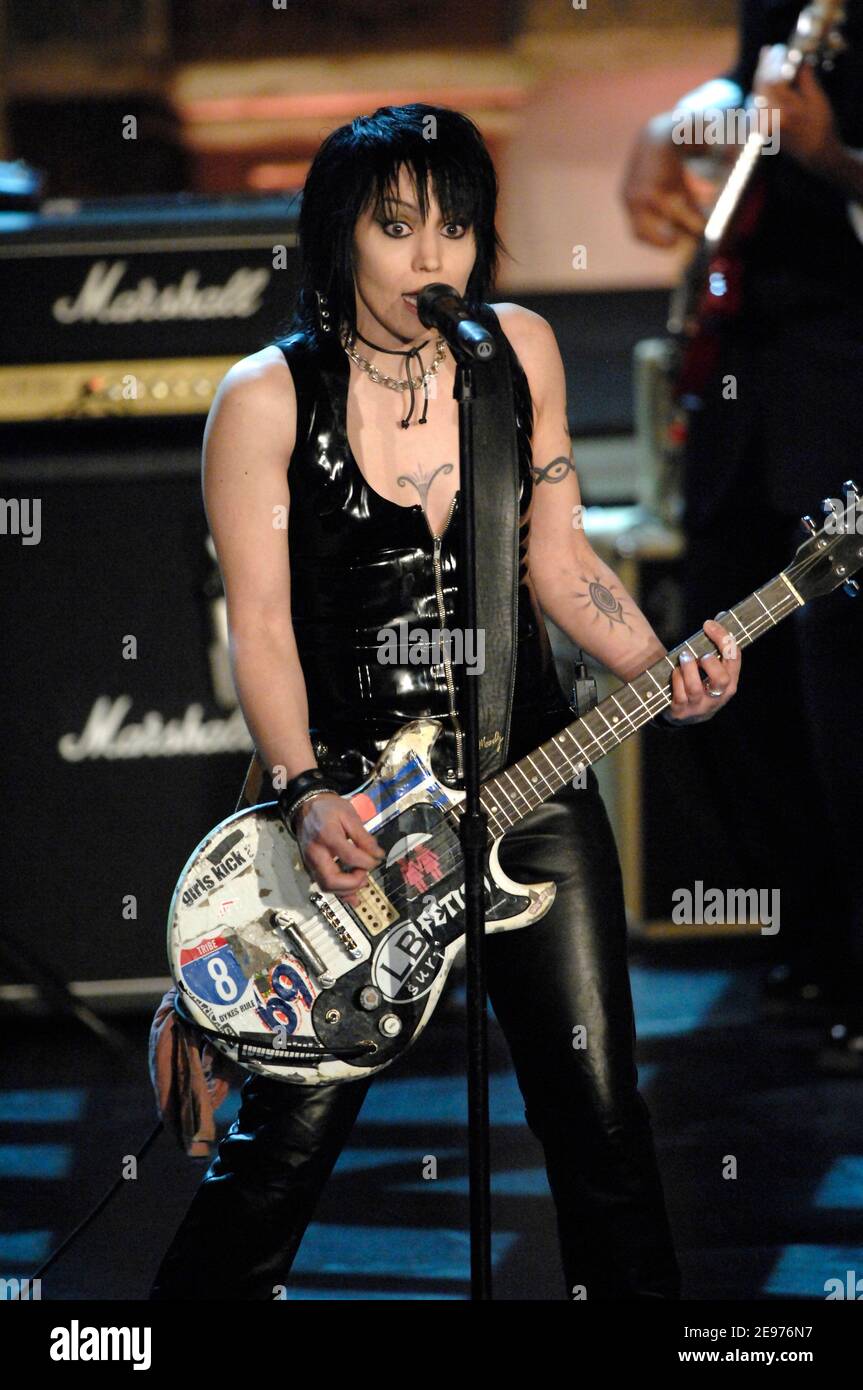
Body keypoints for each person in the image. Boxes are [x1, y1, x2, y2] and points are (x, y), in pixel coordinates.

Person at [149, 103, 741, 1302]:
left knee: (599, 1124)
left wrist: (656, 666)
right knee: (283, 1158)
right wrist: (307, 791)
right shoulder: (263, 401)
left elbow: (560, 563)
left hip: (529, 785)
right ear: (339, 236)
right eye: (398, 226)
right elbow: (258, 629)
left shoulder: (512, 353)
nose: (434, 259)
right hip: (353, 829)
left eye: (457, 228)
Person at [621, 0, 863, 1072]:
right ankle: (812, 940)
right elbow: (745, 88)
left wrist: (831, 156)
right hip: (750, 382)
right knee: (730, 668)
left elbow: (808, 136)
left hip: (845, 371)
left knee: (842, 694)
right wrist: (681, 122)